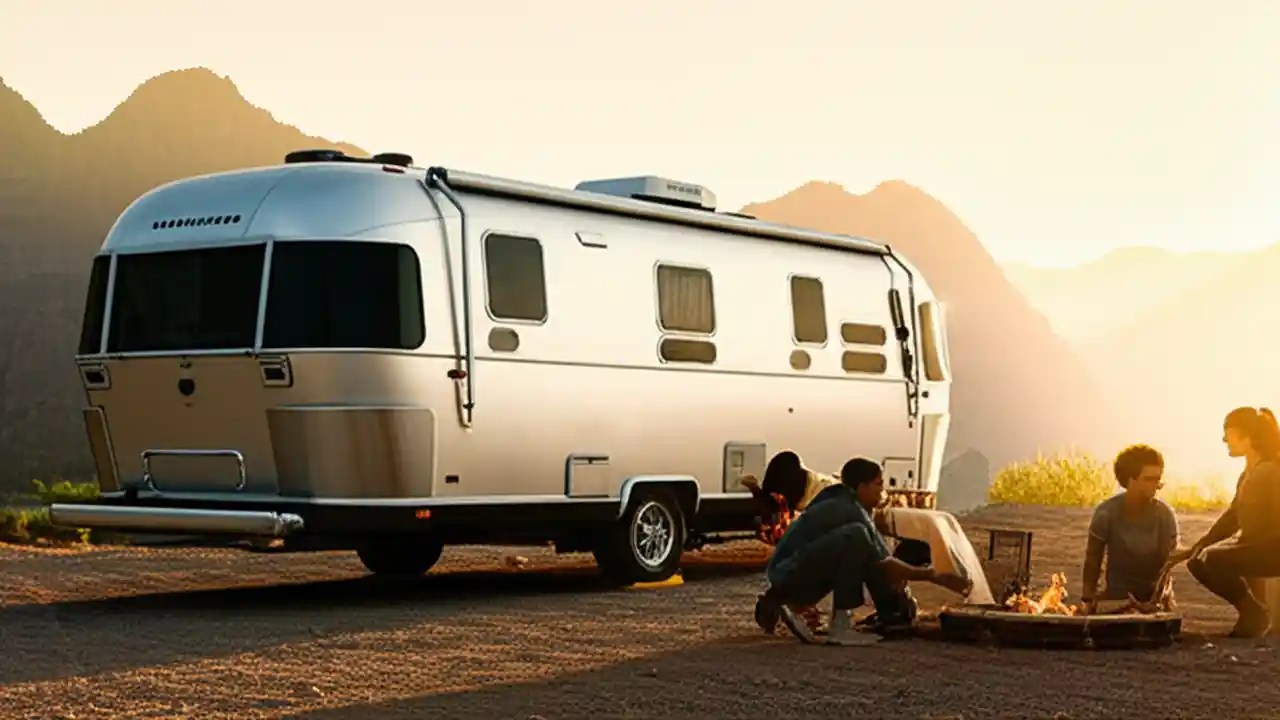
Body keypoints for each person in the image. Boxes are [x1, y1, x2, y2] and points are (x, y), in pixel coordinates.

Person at [753, 457, 972, 646]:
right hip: (789, 575)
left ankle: (888, 614)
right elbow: (885, 564)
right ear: (861, 487)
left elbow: (881, 557)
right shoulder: (848, 509)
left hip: (789, 574)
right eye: (878, 485)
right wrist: (935, 576)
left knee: (864, 545)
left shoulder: (847, 502)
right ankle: (840, 624)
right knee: (856, 537)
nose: (881, 492)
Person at [1167, 407, 1280, 637]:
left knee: (1212, 558)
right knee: (1199, 559)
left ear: (1246, 438)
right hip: (1254, 545)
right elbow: (1232, 517)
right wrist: (1198, 545)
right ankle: (1254, 611)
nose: (1224, 440)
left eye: (1228, 435)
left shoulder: (1271, 471)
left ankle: (1255, 614)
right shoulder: (1250, 472)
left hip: (1271, 547)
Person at [1079, 444, 1180, 614]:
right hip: (1117, 596)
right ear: (1130, 480)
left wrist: (1155, 601)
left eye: (1158, 479)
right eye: (1149, 479)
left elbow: (1166, 566)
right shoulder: (1106, 513)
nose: (1156, 485)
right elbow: (1093, 560)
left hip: (1154, 598)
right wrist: (1088, 599)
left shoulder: (1165, 515)